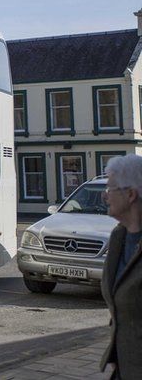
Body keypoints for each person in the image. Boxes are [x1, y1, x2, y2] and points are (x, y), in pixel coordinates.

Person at [100, 155, 142, 379]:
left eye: (110, 188)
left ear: (131, 194)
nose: (104, 196)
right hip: (123, 366)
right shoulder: (119, 237)